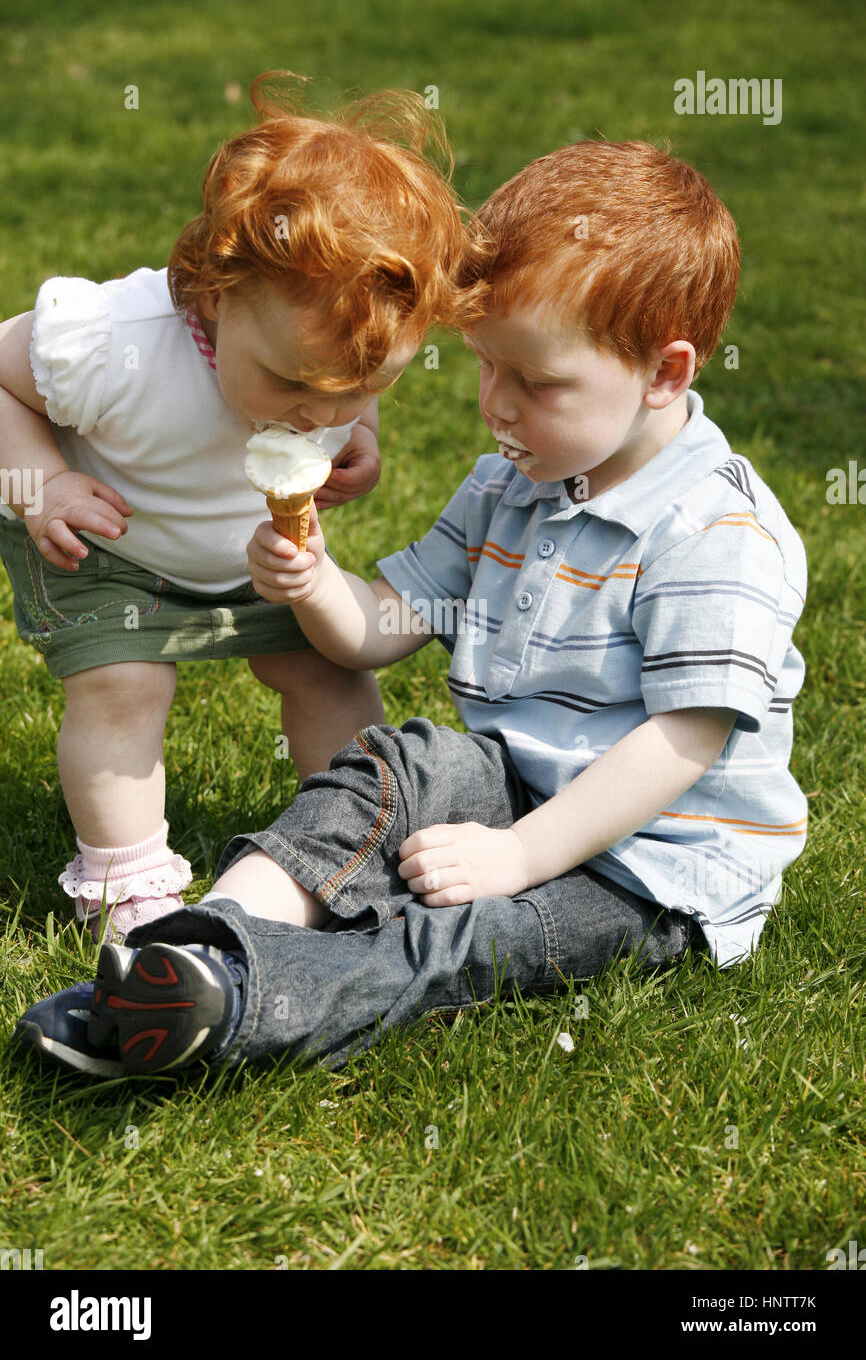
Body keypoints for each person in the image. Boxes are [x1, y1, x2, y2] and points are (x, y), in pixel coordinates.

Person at [13, 140, 808, 1080]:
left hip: (654, 866)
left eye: (538, 383)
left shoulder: (714, 529)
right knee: (385, 771)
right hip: (512, 782)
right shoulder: (511, 486)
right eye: (484, 367)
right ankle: (188, 949)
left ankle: (229, 1008)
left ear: (665, 375)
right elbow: (384, 630)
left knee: (463, 939)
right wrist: (313, 582)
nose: (495, 409)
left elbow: (680, 745)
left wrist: (518, 857)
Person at [0, 71, 483, 940]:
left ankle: (348, 843)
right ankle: (128, 889)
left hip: (249, 550)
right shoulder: (116, 344)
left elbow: (337, 390)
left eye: (365, 387)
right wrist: (45, 482)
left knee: (331, 668)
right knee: (124, 684)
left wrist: (357, 441)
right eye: (296, 383)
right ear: (218, 299)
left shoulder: (327, 356)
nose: (322, 413)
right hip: (111, 540)